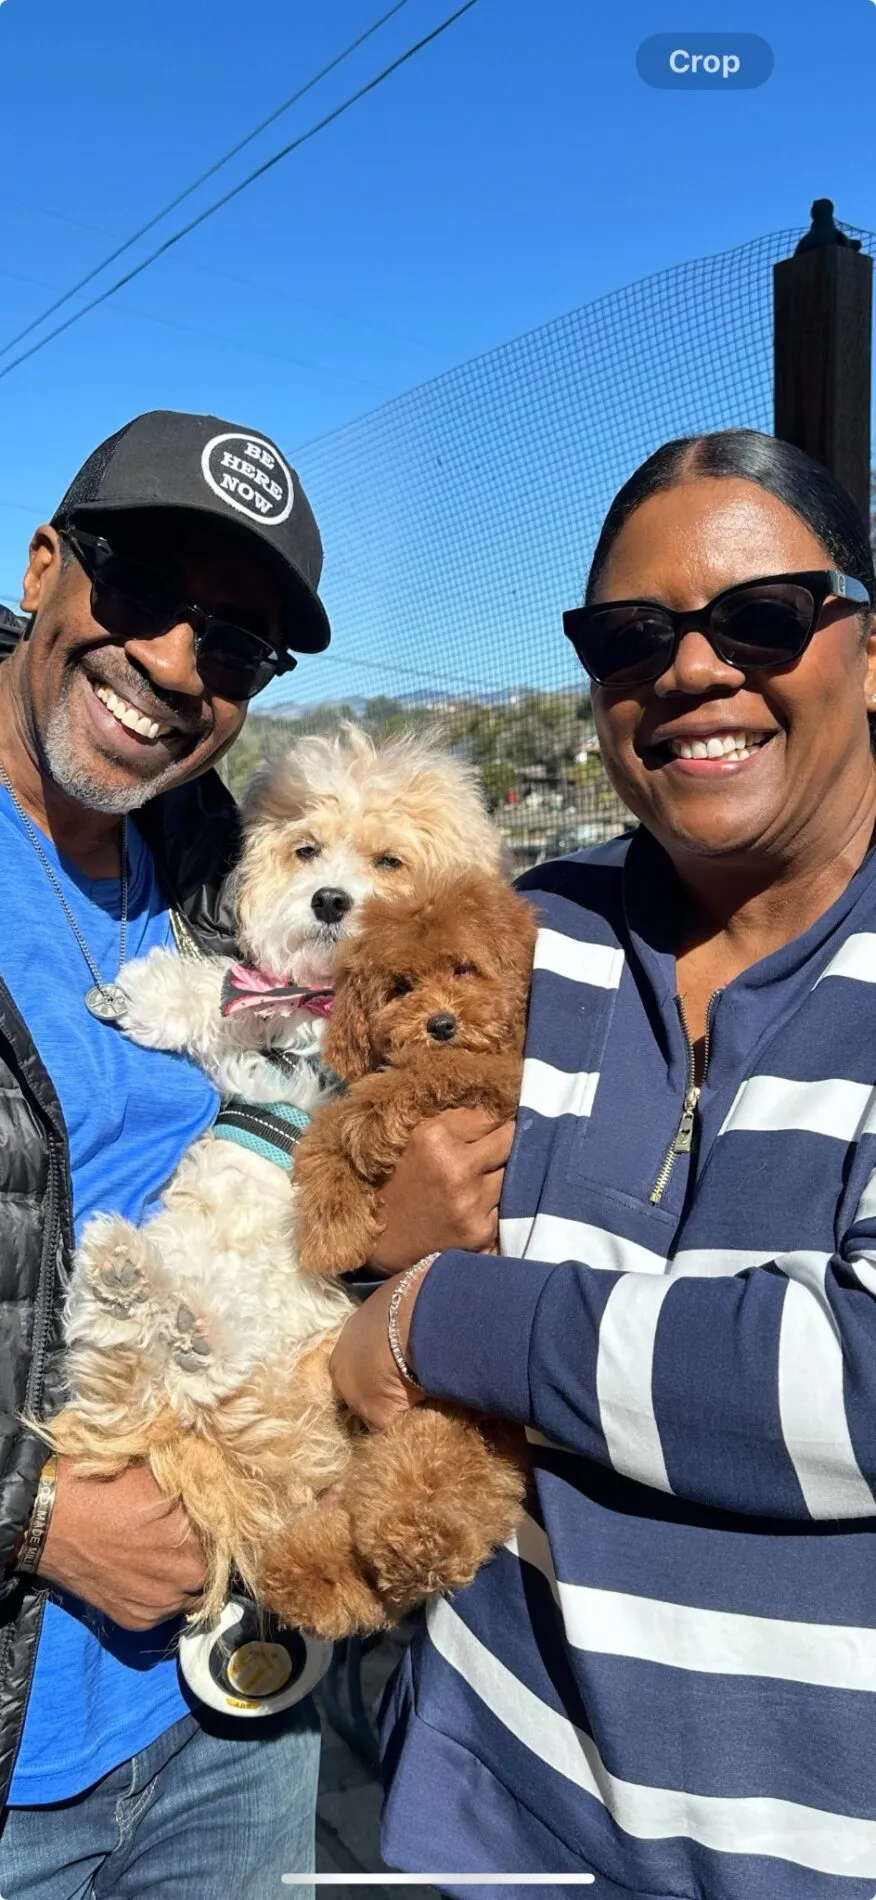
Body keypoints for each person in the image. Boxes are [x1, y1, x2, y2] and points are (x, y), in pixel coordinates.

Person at [331, 429, 876, 1900]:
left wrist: (436, 1314)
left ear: (868, 652)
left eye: (762, 618)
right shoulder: (527, 931)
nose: (693, 670)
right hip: (487, 1812)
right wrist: (366, 1241)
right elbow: (342, 1160)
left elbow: (857, 1380)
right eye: (630, 636)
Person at [0, 409, 330, 1899]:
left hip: (231, 1705)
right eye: (142, 590)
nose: (182, 662)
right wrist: (37, 1515)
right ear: (49, 565)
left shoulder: (218, 861)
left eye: (242, 647)